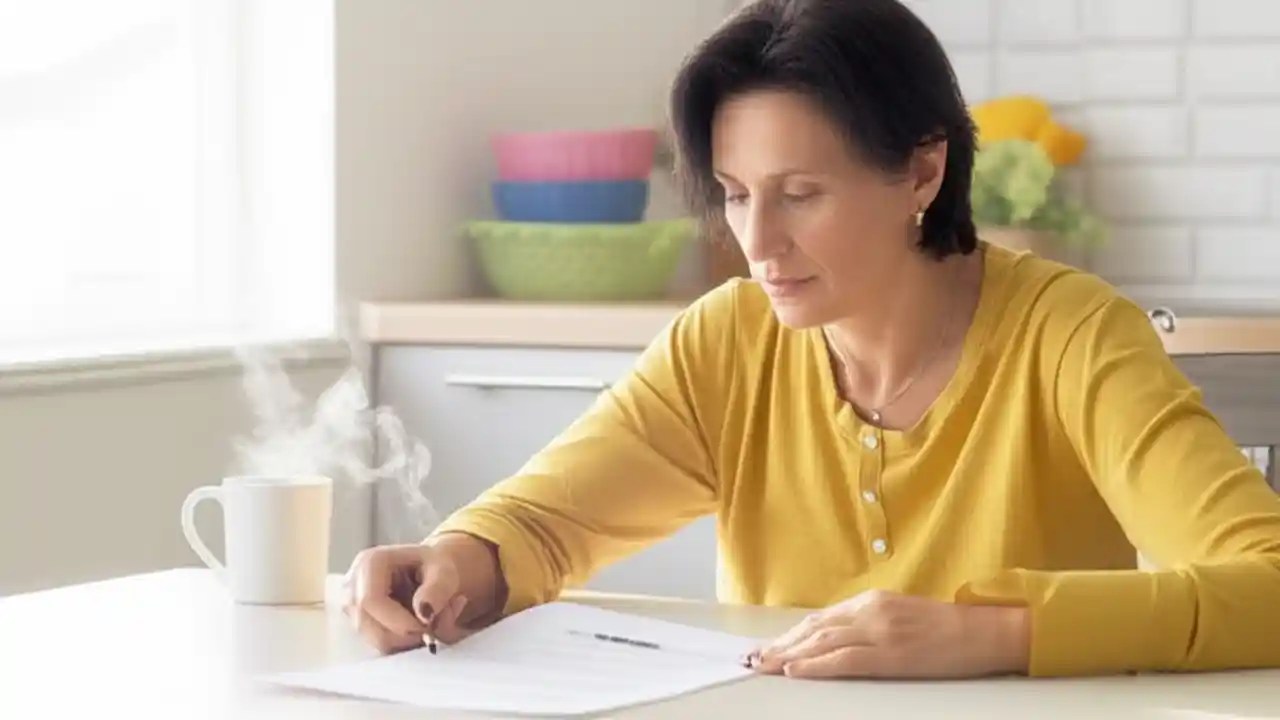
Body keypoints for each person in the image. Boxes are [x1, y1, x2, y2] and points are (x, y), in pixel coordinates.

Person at [343, 0, 1280, 679]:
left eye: (800, 194)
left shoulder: (1073, 337)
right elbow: (549, 521)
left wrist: (997, 634)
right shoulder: (728, 340)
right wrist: (461, 561)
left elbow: (1268, 585)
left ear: (921, 171)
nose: (757, 243)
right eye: (738, 194)